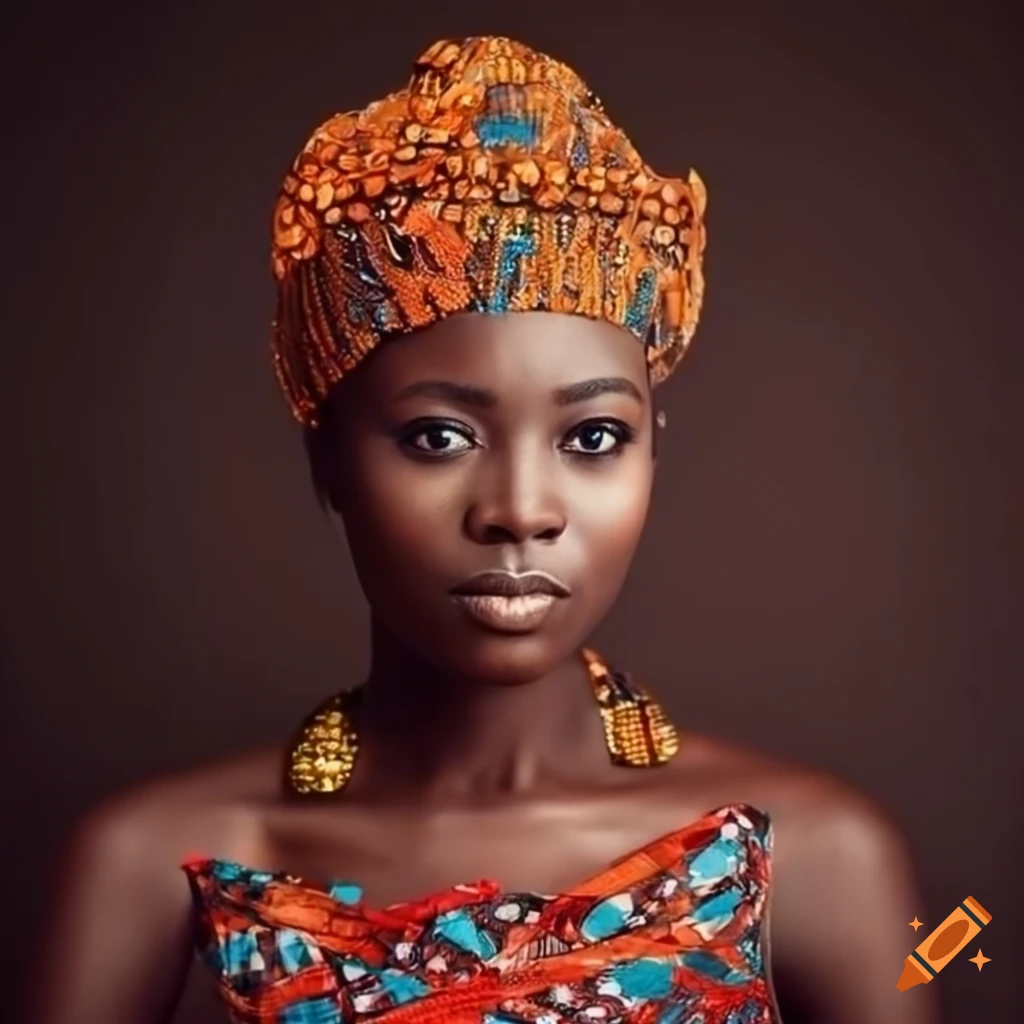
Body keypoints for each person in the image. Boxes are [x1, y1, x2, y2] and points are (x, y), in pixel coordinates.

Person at [25, 36, 939, 1024]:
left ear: (652, 454)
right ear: (327, 460)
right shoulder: (156, 857)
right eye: (438, 436)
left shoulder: (820, 852)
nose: (521, 508)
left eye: (592, 437)